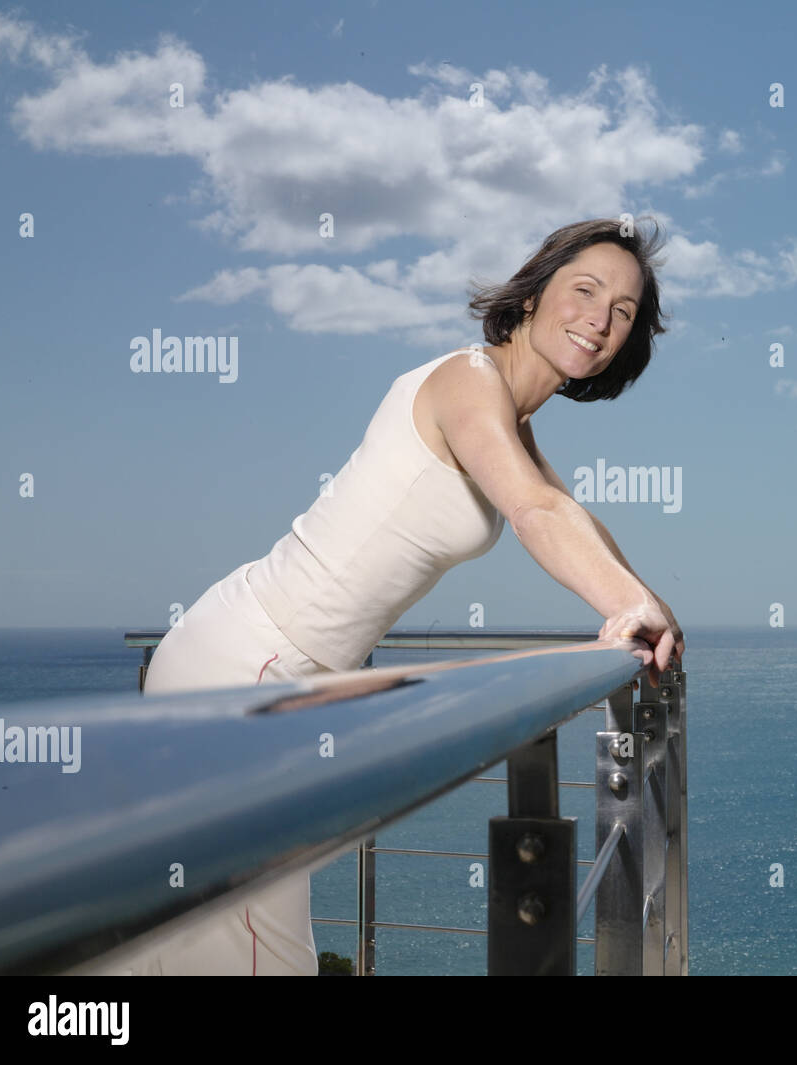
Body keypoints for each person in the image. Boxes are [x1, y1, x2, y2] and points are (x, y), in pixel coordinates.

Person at [85, 217, 684, 975]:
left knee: (185, 942)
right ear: (533, 294)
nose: (600, 319)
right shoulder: (468, 381)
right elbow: (534, 511)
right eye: (586, 290)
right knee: (256, 948)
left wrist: (651, 609)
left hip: (288, 672)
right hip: (249, 662)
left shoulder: (513, 419)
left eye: (624, 311)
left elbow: (568, 515)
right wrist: (633, 608)